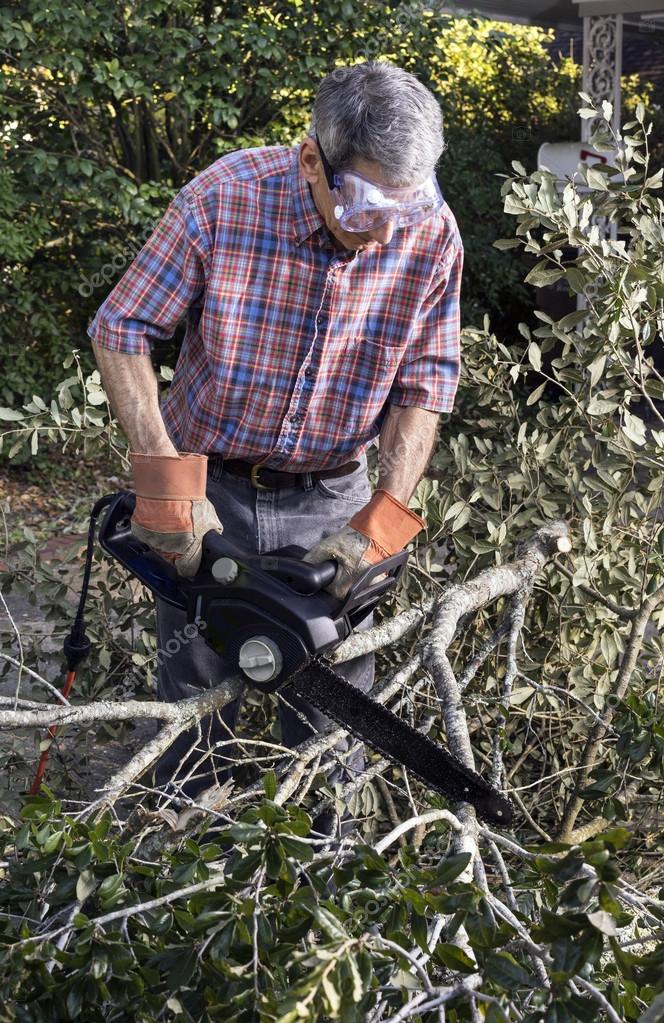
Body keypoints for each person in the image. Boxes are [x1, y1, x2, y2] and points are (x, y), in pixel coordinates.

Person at [87, 60, 464, 838]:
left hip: (334, 494)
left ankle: (332, 887)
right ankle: (183, 878)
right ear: (310, 162)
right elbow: (120, 328)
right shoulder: (224, 198)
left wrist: (381, 522)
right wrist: (164, 482)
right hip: (210, 488)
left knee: (334, 722)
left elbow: (425, 382)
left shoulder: (430, 234)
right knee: (194, 704)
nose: (387, 230)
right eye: (366, 203)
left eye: (409, 205)